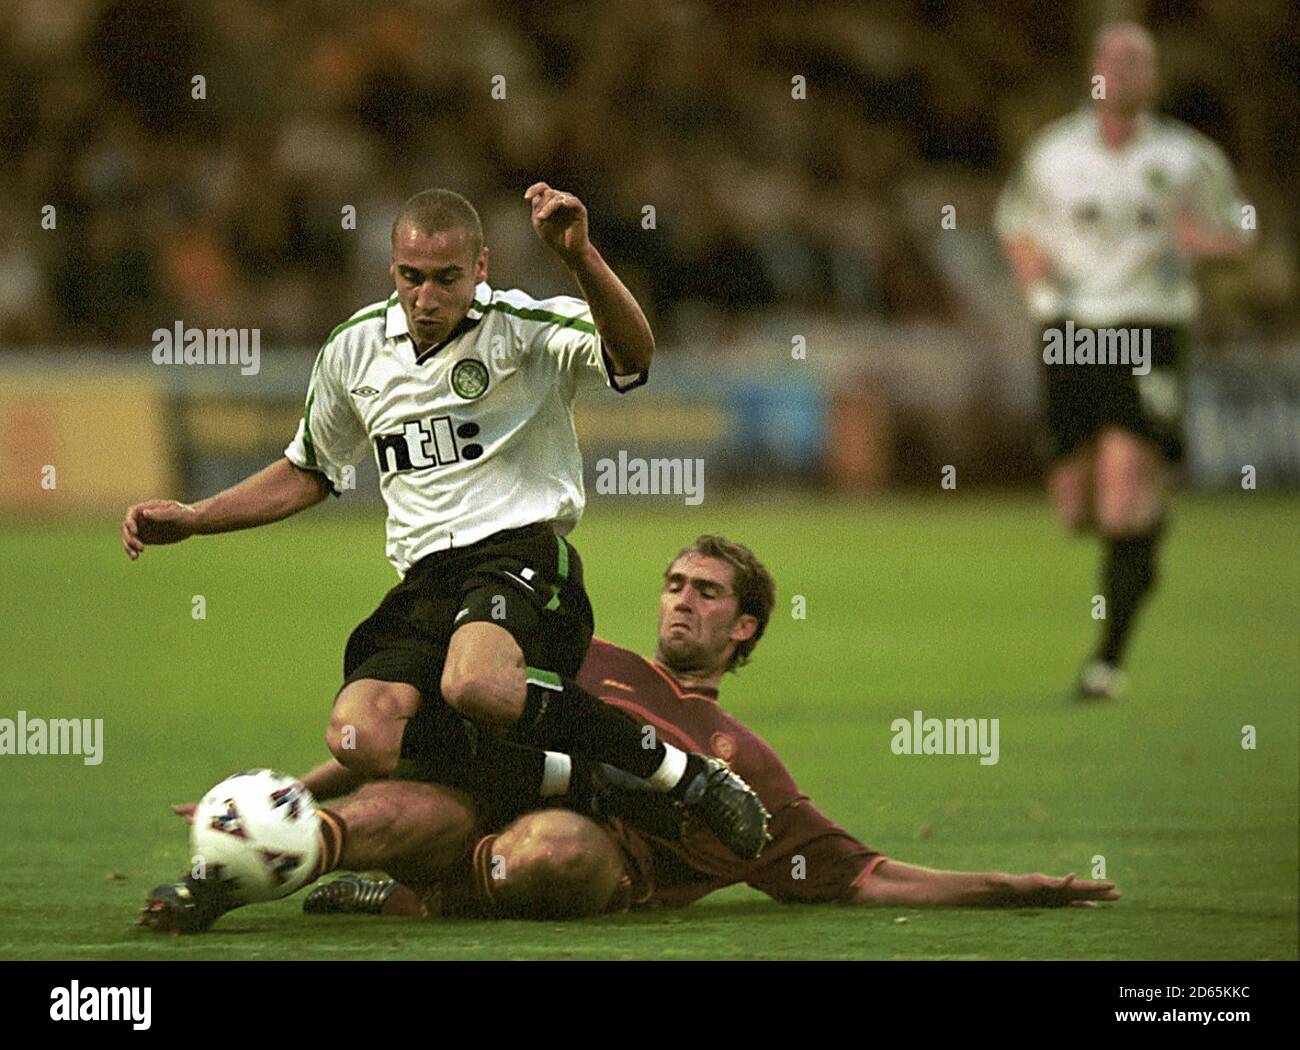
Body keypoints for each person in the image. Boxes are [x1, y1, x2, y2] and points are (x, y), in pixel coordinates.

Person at [122, 185, 770, 934]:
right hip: (426, 582)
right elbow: (309, 469)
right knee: (360, 739)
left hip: (523, 559)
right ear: (392, 269)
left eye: (445, 279)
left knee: (475, 685)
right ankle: (594, 779)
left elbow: (634, 355)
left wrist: (580, 257)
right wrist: (197, 518)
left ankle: (678, 773)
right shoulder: (354, 350)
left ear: (480, 268)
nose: (425, 297)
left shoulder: (524, 327)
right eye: (409, 276)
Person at [148, 536, 1118, 931]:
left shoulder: (738, 756)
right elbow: (432, 731)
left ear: (743, 630)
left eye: (707, 594)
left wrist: (1011, 887)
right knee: (399, 803)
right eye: (674, 584)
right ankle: (223, 881)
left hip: (591, 858)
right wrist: (290, 796)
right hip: (473, 805)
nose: (681, 603)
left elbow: (869, 877)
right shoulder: (584, 661)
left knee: (554, 850)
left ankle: (415, 899)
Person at [995, 23, 1253, 700]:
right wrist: (1031, 269)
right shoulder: (1052, 152)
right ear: (1094, 71)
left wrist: (1210, 241)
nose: (1124, 70)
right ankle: (1148, 527)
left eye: (1138, 60)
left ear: (1155, 77)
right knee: (1074, 508)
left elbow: (1244, 230)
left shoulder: (1190, 158)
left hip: (1147, 327)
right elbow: (1015, 223)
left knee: (1119, 497)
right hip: (1070, 328)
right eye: (1113, 58)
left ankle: (1106, 662)